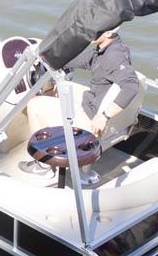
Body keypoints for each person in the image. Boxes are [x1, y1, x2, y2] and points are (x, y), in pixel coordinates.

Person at [21, 28, 139, 174]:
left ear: (108, 33)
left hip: (90, 117)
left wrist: (104, 116)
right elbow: (82, 60)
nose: (90, 31)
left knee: (34, 104)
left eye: (96, 29)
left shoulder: (114, 56)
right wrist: (47, 56)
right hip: (91, 103)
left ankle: (42, 164)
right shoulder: (107, 48)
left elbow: (131, 86)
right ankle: (55, 141)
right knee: (56, 92)